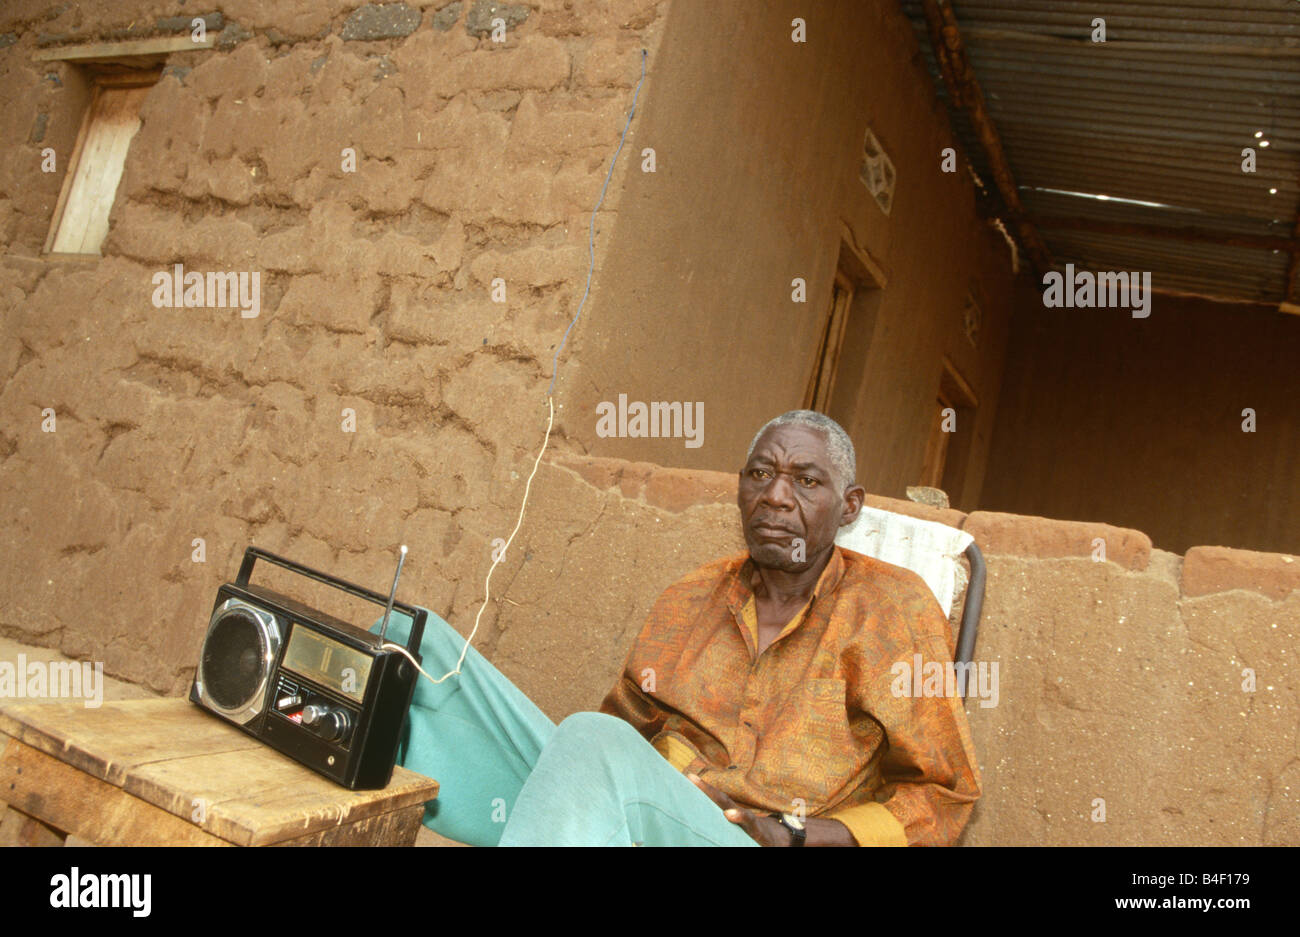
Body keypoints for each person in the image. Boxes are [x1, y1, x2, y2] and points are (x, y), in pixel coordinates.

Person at [385, 410, 981, 846]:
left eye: (805, 480)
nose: (774, 497)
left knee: (592, 743)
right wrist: (664, 783)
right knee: (413, 644)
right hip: (653, 817)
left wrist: (799, 835)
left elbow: (945, 793)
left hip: (759, 842)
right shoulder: (689, 599)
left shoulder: (893, 609)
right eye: (759, 474)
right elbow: (615, 734)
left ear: (849, 506)